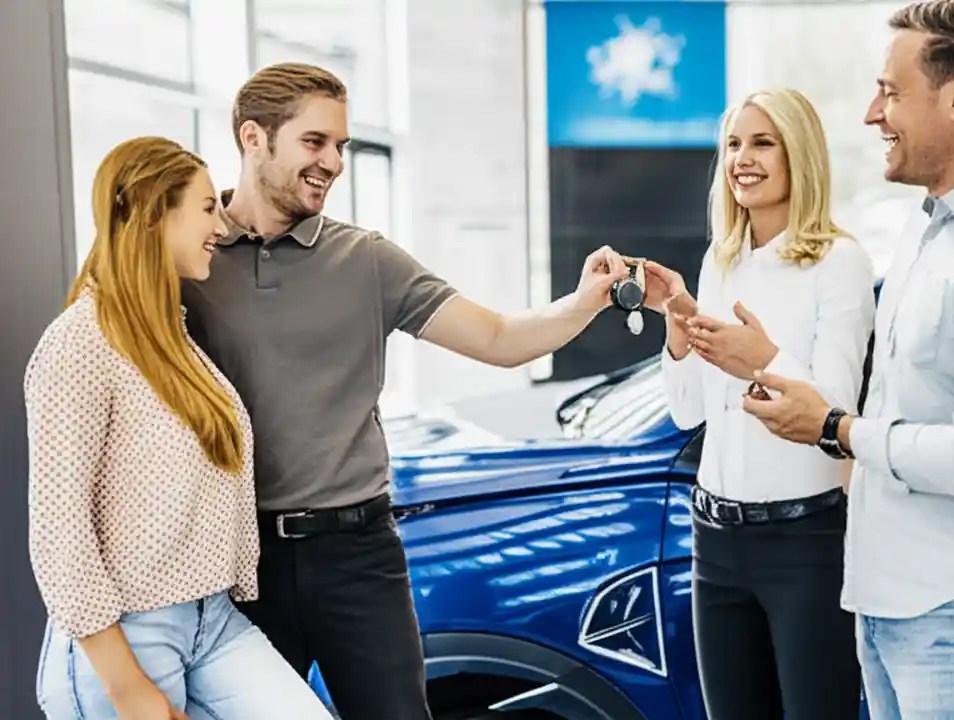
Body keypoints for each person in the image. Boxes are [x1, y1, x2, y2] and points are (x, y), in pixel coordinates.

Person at [179, 62, 633, 720]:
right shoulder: (192, 257)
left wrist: (585, 302)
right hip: (240, 561)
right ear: (254, 138)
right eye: (315, 142)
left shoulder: (367, 260)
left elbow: (499, 337)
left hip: (358, 558)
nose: (334, 162)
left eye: (342, 145)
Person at [742, 1, 954, 718]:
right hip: (895, 607)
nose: (874, 113)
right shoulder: (933, 230)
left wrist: (837, 427)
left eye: (891, 91)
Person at [26, 136, 332, 720]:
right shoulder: (80, 343)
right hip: (122, 638)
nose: (221, 222)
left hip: (211, 622)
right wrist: (125, 686)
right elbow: (58, 536)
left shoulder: (174, 340)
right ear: (150, 215)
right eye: (205, 207)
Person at [646, 87, 876, 719]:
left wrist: (763, 358)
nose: (742, 158)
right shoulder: (720, 261)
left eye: (762, 142)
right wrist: (680, 323)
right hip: (715, 542)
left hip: (804, 541)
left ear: (799, 153)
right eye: (733, 144)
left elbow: (832, 417)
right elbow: (689, 413)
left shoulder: (840, 262)